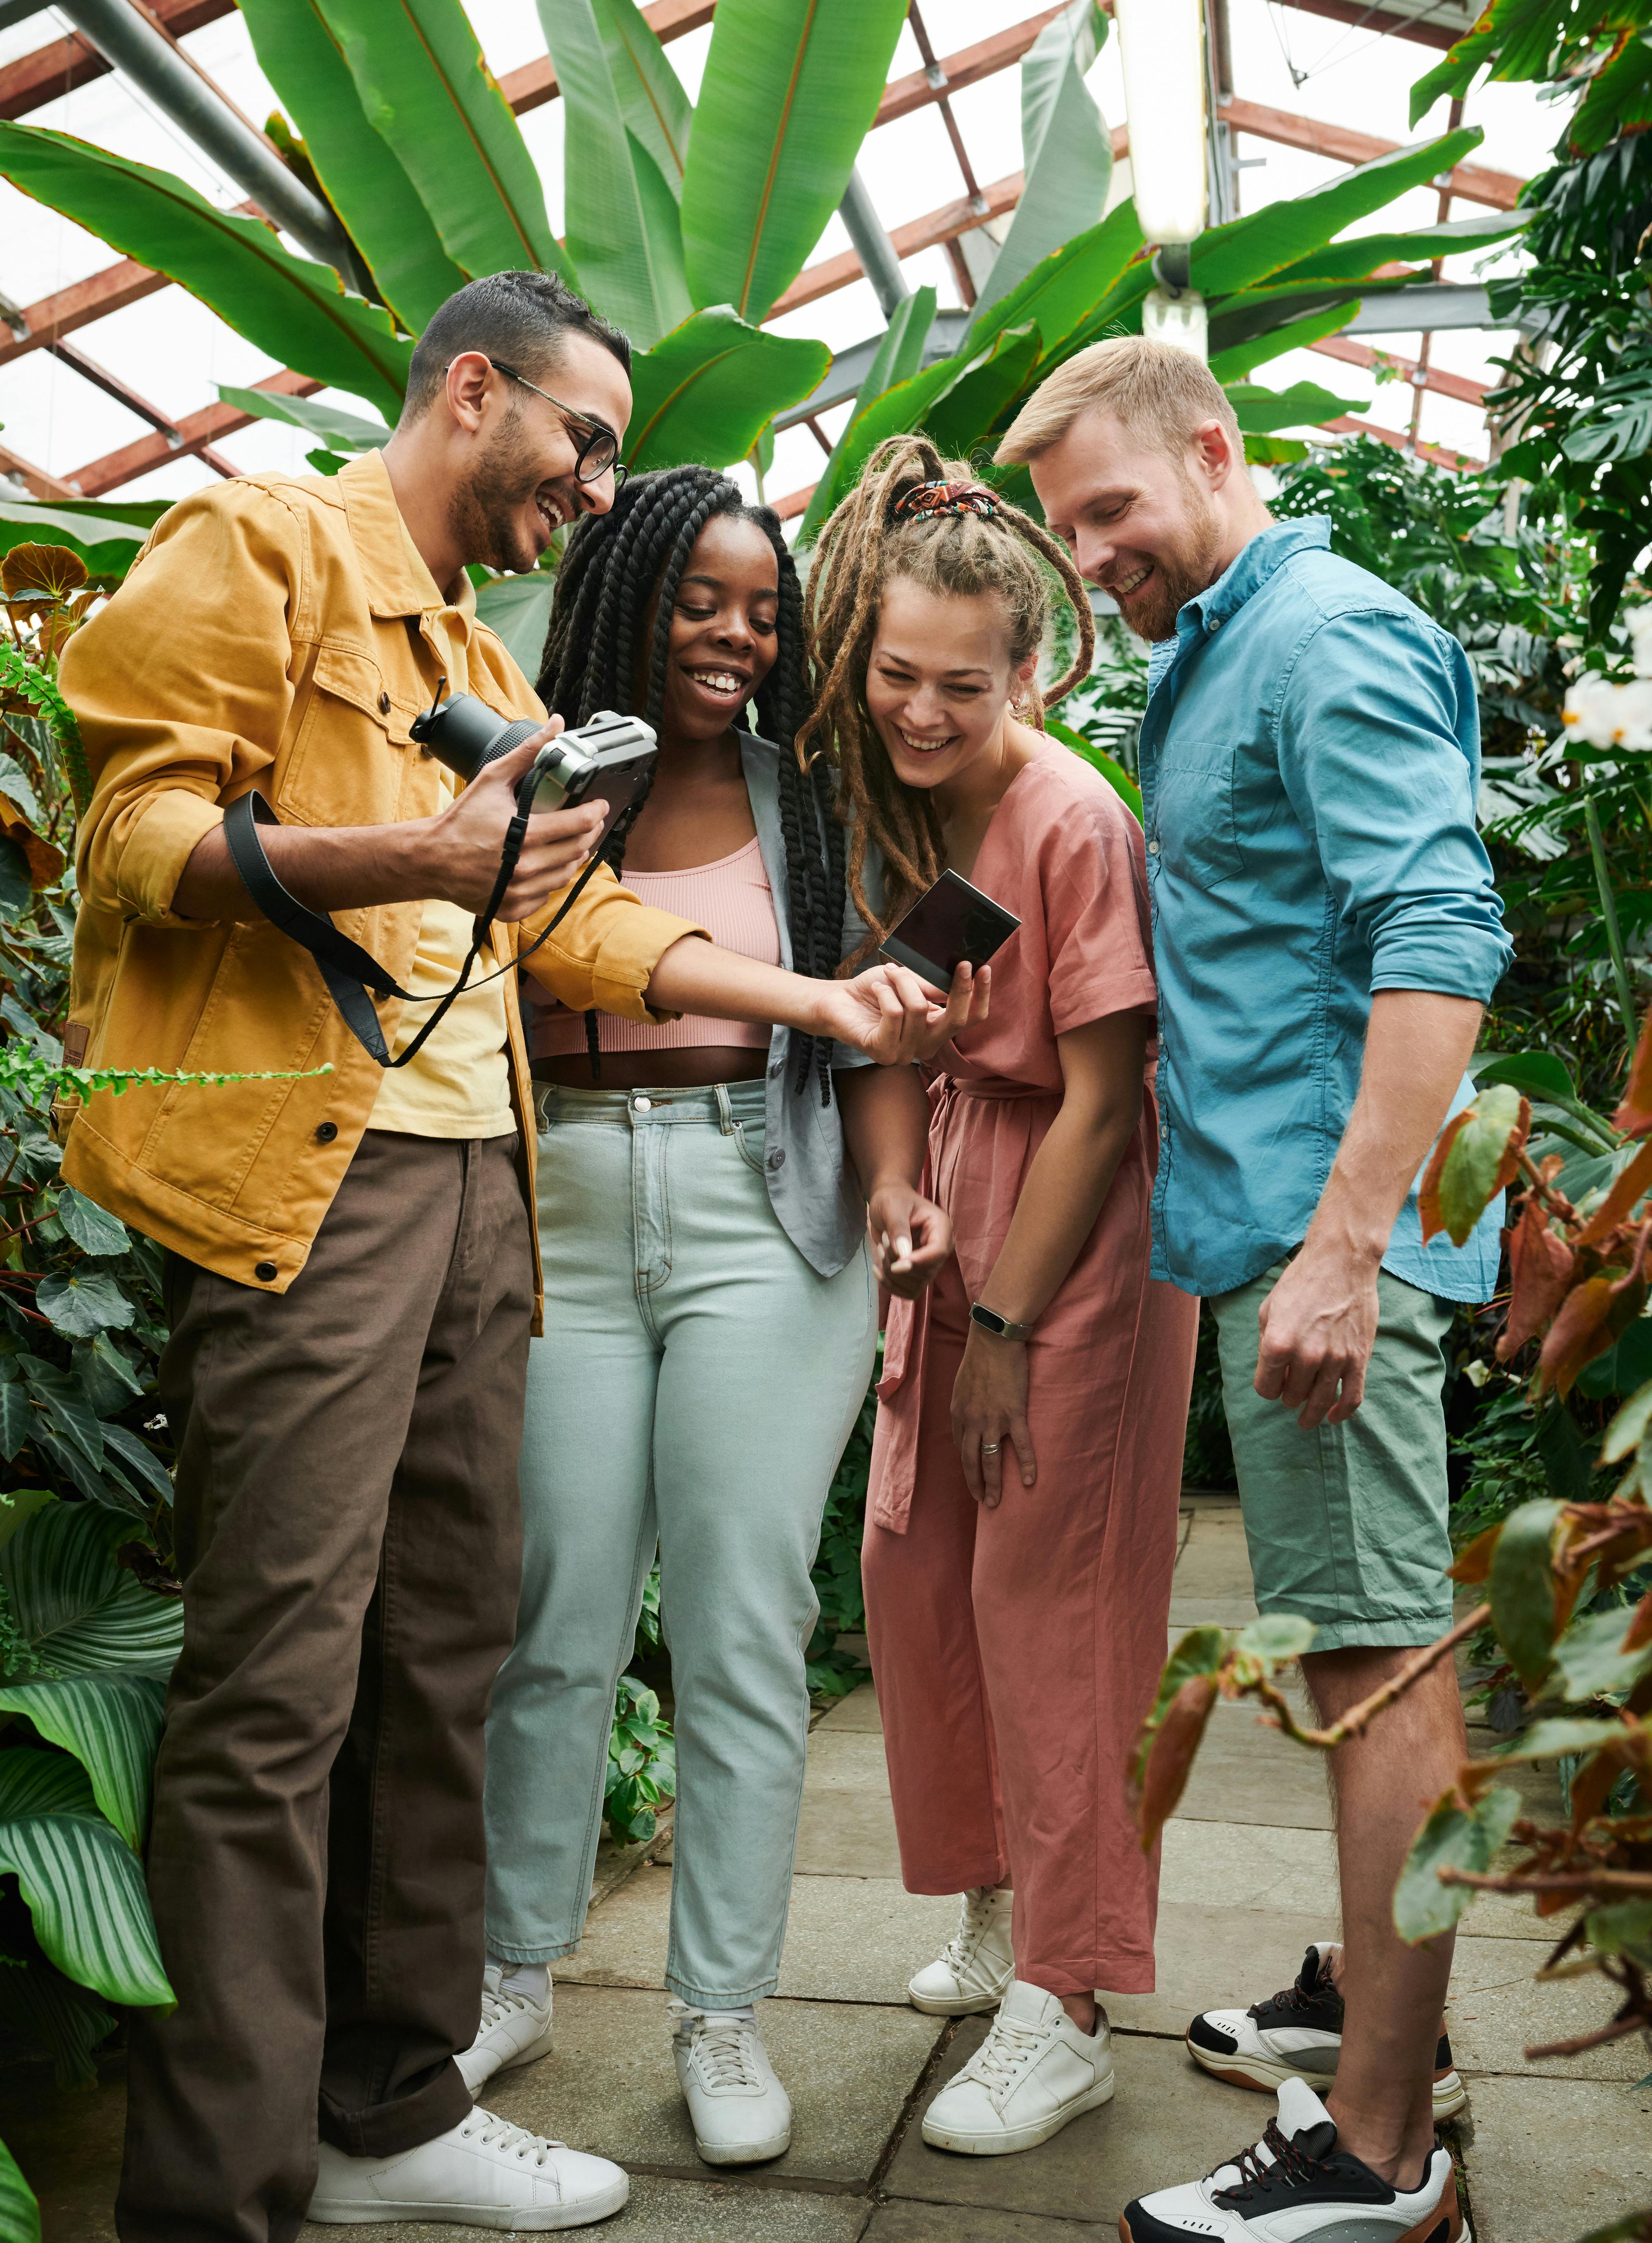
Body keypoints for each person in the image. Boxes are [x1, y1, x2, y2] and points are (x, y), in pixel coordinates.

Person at [57, 272, 975, 2243]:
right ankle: (219, 2189)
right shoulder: (261, 542)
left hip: (485, 1178)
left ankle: (391, 2110)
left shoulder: (489, 649)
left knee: (443, 1659)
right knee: (276, 1688)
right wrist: (418, 858)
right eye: (580, 437)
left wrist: (816, 1007)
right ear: (473, 390)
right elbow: (132, 837)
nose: (594, 481)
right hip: (312, 1186)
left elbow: (563, 935)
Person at [1005, 335, 1509, 2243]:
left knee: (1377, 1665)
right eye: (1070, 532)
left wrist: (1344, 1245)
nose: (1094, 555)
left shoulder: (1322, 639)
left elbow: (1440, 930)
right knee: (1341, 1651)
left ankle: (1379, 2157)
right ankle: (1379, 2021)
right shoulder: (1216, 645)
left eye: (1113, 511)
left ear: (1215, 452)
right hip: (1274, 1237)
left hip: (1328, 1254)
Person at [465, 464, 964, 2166]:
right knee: (554, 1609)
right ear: (621, 595)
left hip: (766, 1201)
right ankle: (507, 1976)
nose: (737, 638)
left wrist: (899, 1189)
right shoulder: (531, 779)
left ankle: (722, 2014)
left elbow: (865, 1025)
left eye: (763, 610)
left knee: (746, 1618)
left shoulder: (812, 795)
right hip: (564, 1204)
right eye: (701, 601)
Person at [798, 436, 1199, 2158]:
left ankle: (1073, 1992)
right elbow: (883, 1031)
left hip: (1071, 1240)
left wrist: (1009, 1330)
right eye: (894, 676)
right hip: (950, 1209)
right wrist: (891, 1190)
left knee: (1059, 1604)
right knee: (918, 1578)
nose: (921, 711)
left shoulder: (1070, 820)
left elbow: (1104, 1100)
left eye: (961, 686)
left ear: (1027, 670)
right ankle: (994, 1908)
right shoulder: (887, 799)